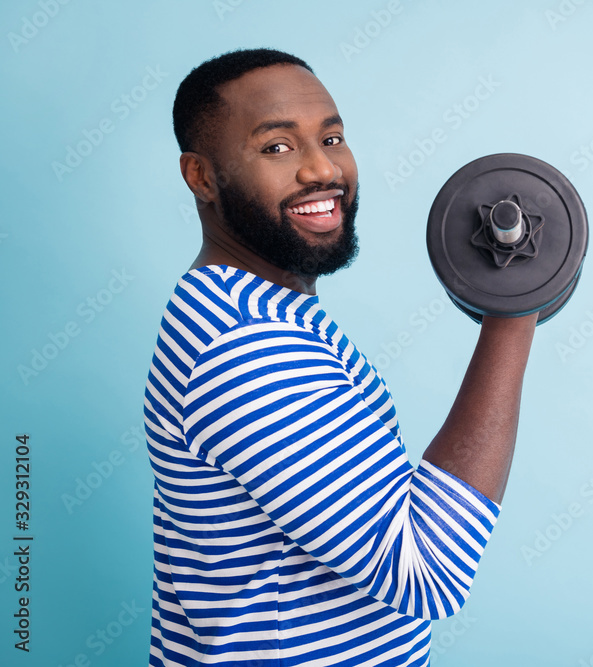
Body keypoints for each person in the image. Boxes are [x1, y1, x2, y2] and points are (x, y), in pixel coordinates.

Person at [142, 47, 536, 667]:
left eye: (332, 137)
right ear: (202, 176)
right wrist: (514, 309)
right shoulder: (249, 347)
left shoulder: (255, 307)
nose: (321, 170)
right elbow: (423, 567)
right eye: (277, 148)